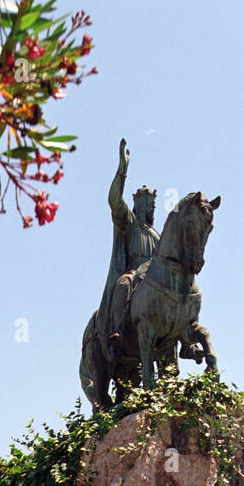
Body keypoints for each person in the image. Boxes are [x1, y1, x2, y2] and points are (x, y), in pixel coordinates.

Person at [97, 137, 160, 363]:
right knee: (123, 284)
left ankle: (185, 342)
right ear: (138, 203)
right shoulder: (131, 222)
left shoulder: (157, 235)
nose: (151, 207)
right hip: (134, 274)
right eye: (147, 203)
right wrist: (122, 170)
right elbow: (114, 201)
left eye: (153, 203)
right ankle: (117, 330)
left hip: (155, 278)